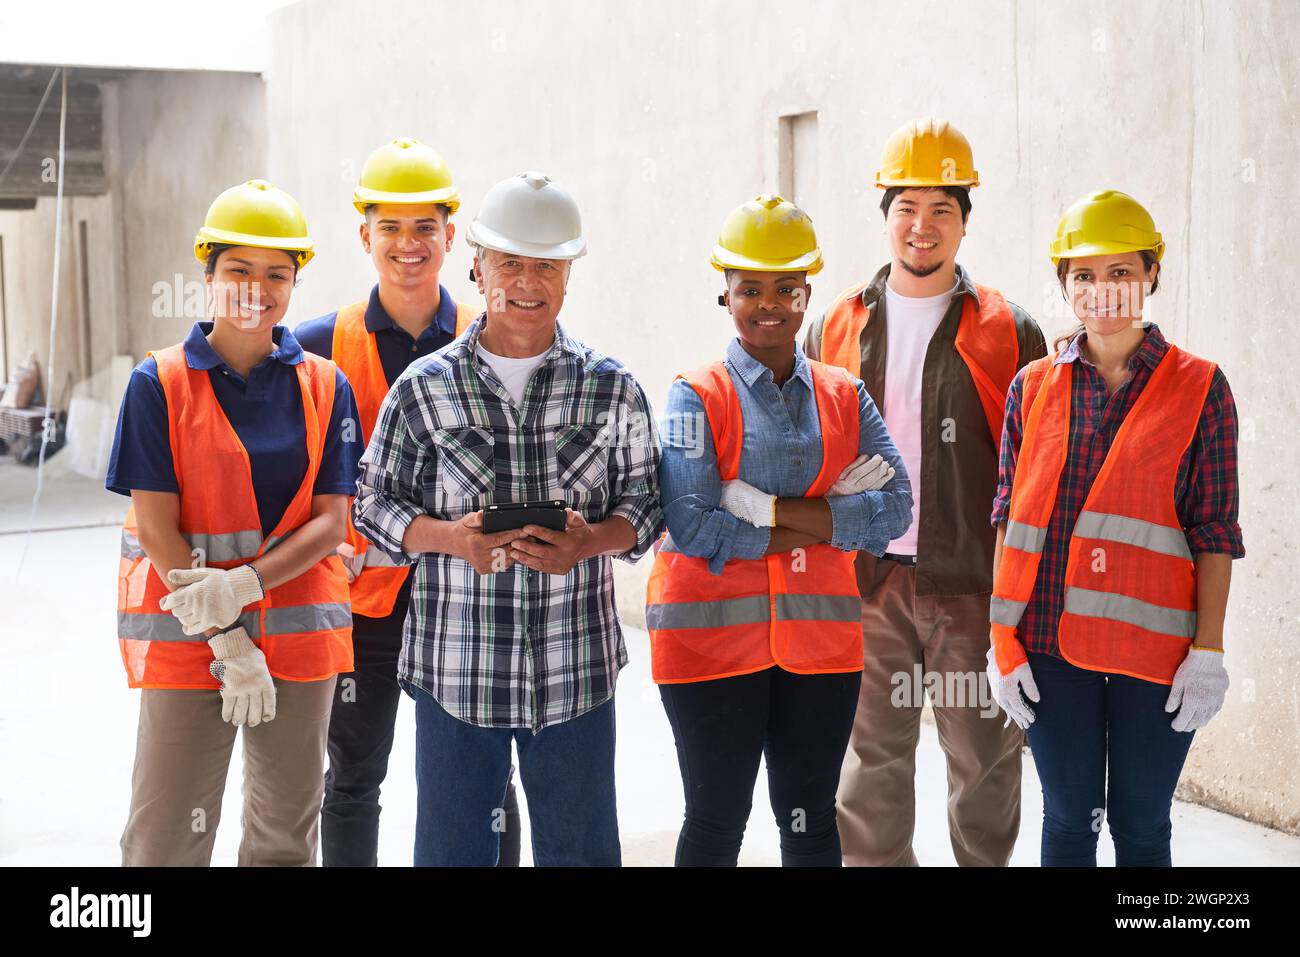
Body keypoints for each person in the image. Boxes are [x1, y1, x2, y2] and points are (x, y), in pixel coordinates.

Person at [351, 170, 663, 866]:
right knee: (454, 854)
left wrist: (588, 543)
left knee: (580, 854)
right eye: (511, 262)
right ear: (478, 266)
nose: (528, 281)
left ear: (569, 273)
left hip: (572, 670)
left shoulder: (610, 388)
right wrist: (450, 540)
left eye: (546, 264)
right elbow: (372, 502)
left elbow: (645, 505)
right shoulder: (424, 388)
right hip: (456, 671)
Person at [804, 117, 1047, 866]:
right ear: (885, 217)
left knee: (983, 763)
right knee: (868, 764)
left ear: (965, 221)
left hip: (971, 586)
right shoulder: (834, 326)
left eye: (943, 208)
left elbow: (1035, 470)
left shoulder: (1009, 329)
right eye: (907, 206)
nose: (922, 225)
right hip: (868, 582)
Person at [648, 194, 912, 866]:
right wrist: (831, 520)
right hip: (708, 645)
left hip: (820, 645)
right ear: (727, 294)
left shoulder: (844, 395)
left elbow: (898, 509)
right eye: (751, 289)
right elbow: (695, 525)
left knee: (809, 821)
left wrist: (763, 510)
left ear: (806, 292)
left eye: (787, 289)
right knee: (714, 821)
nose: (770, 304)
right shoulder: (695, 394)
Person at [987, 189, 1243, 867]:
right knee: (1069, 818)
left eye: (1121, 272)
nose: (1103, 291)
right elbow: (1008, 517)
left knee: (1140, 823)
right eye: (1085, 275)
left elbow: (1214, 530)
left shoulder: (1201, 387)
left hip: (1156, 652)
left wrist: (1208, 649)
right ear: (1066, 284)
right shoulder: (1032, 387)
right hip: (1046, 640)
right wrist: (1000, 639)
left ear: (1152, 274)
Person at [110, 179, 362, 866]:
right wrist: (226, 634)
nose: (258, 287)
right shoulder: (158, 384)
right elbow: (158, 527)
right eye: (239, 269)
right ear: (208, 275)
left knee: (284, 838)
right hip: (193, 642)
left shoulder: (324, 385)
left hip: (300, 643)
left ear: (294, 282)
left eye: (277, 273)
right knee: (165, 838)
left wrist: (245, 583)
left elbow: (333, 519)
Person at [296, 137, 522, 867]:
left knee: (487, 780)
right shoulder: (318, 345)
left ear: (451, 237)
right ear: (364, 237)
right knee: (356, 778)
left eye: (424, 226)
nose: (408, 243)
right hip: (367, 610)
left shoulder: (492, 338)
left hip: (469, 601)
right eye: (389, 227)